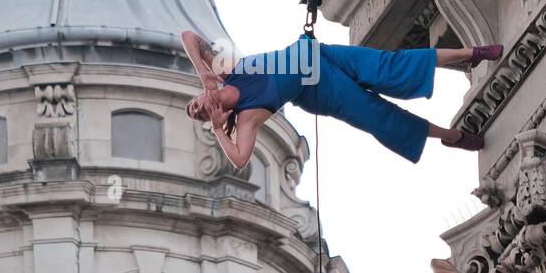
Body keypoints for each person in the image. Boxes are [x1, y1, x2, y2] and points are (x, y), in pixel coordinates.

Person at [180, 29, 503, 170]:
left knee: (388, 67)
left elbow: (188, 37)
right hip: (319, 89)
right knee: (382, 117)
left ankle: (471, 54)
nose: (196, 108)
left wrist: (204, 71)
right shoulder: (248, 116)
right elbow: (239, 159)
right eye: (199, 115)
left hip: (318, 55)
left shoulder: (227, 72)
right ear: (212, 115)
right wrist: (221, 130)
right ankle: (453, 136)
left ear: (201, 95)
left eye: (193, 105)